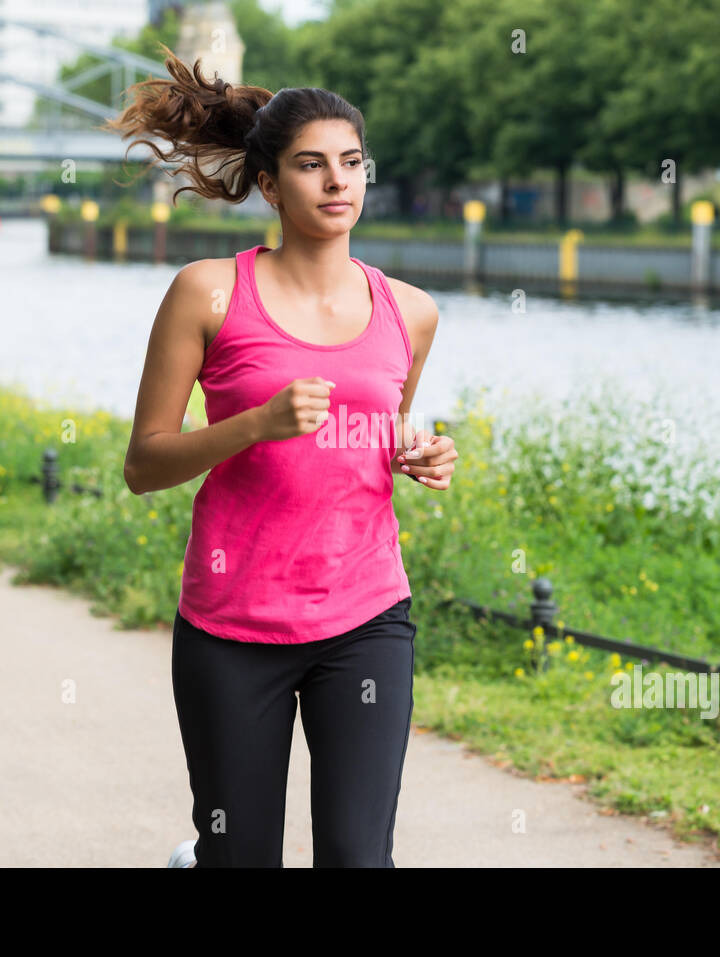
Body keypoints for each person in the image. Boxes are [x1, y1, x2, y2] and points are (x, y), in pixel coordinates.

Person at [106, 46, 458, 867]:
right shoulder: (208, 293)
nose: (338, 182)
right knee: (241, 856)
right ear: (270, 185)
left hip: (366, 617)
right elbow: (144, 463)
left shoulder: (411, 312)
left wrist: (417, 454)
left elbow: (380, 436)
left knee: (358, 857)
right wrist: (253, 426)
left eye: (351, 163)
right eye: (311, 165)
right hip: (233, 624)